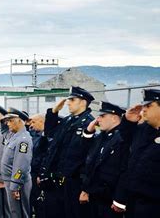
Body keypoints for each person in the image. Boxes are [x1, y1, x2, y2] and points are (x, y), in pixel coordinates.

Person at [39, 86, 95, 218]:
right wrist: (53, 112)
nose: (68, 103)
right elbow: (50, 134)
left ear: (83, 102)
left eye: (72, 100)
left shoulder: (88, 123)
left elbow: (86, 157)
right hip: (57, 180)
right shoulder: (68, 120)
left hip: (73, 183)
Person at [112, 89, 160, 218]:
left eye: (149, 105)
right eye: (144, 105)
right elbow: (126, 146)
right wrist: (128, 121)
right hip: (134, 201)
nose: (143, 109)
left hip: (155, 205)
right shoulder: (143, 130)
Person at [79, 101, 128, 218]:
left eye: (102, 116)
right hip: (96, 195)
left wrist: (119, 199)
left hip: (110, 199)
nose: (98, 119)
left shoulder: (122, 137)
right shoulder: (102, 136)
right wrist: (88, 132)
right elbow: (86, 157)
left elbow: (125, 170)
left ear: (114, 118)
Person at [0, 108, 33, 218]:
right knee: (14, 212)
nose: (8, 123)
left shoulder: (23, 140)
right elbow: (3, 130)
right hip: (11, 182)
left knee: (19, 213)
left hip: (18, 183)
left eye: (10, 120)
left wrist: (15, 185)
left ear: (19, 121)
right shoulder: (14, 136)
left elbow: (21, 166)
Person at [27, 114, 49, 218]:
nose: (31, 125)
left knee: (39, 203)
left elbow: (45, 157)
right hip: (31, 173)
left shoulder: (47, 137)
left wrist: (41, 174)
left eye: (34, 122)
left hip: (38, 175)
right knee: (31, 201)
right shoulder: (33, 136)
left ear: (41, 122)